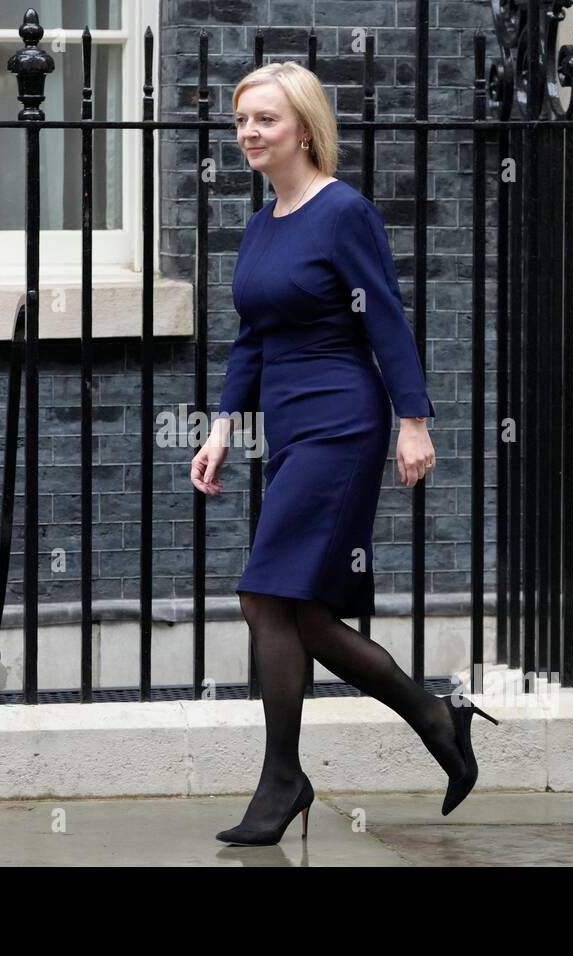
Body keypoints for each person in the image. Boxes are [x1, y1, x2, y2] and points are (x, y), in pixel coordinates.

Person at [190, 62, 498, 847]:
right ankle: (437, 717)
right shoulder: (264, 224)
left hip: (342, 421)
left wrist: (415, 420)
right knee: (304, 613)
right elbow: (252, 337)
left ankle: (284, 777)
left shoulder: (343, 213)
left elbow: (386, 320)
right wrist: (224, 426)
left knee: (263, 596)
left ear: (304, 126)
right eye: (240, 121)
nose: (249, 134)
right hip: (289, 429)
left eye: (264, 119)